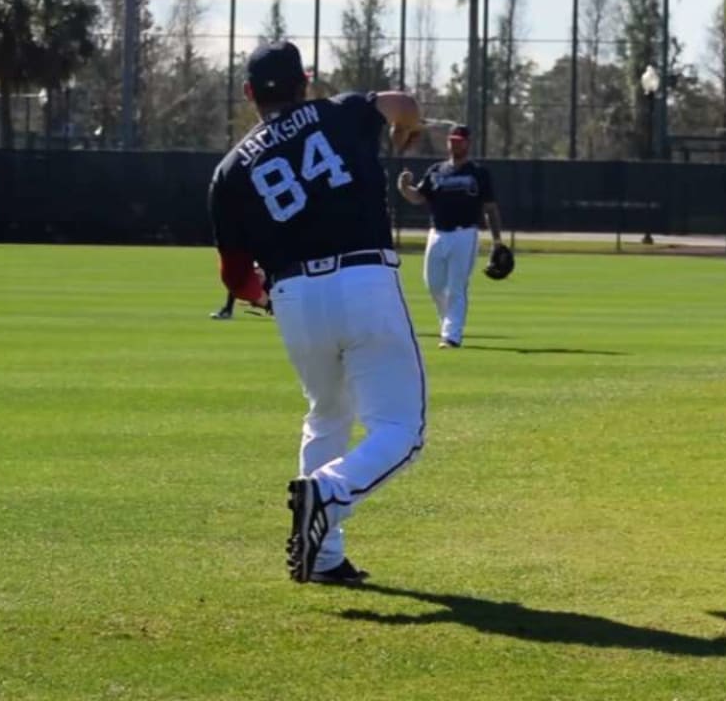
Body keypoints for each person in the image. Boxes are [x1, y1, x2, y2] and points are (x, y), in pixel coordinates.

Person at [208, 40, 428, 582]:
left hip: (293, 299)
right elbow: (403, 103)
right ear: (306, 81)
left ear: (248, 93)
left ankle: (324, 557)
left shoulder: (230, 170)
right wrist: (409, 128)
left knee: (327, 415)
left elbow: (235, 276)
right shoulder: (343, 112)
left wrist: (264, 299)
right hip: (364, 279)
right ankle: (330, 494)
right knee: (401, 429)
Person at [395, 124, 504, 349]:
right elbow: (418, 197)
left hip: (465, 233)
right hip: (437, 234)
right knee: (433, 285)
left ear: (468, 143)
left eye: (459, 140)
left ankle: (451, 335)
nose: (455, 144)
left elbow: (490, 208)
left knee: (456, 286)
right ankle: (448, 323)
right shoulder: (436, 171)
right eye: (452, 140)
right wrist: (404, 187)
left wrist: (497, 241)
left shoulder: (478, 173)